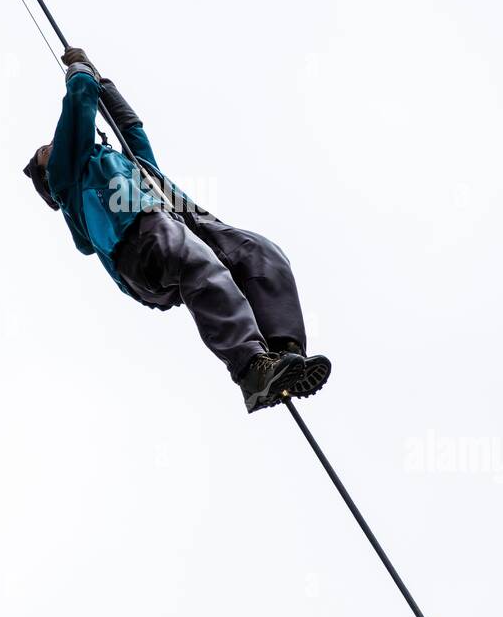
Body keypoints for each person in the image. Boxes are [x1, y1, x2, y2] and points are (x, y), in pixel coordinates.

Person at [23, 48, 331, 412]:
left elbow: (131, 130)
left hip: (180, 219)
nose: (53, 146)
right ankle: (252, 369)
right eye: (46, 150)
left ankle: (284, 351)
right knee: (197, 262)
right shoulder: (67, 176)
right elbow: (79, 103)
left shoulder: (133, 167)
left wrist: (106, 85)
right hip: (135, 237)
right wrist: (80, 70)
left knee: (259, 253)